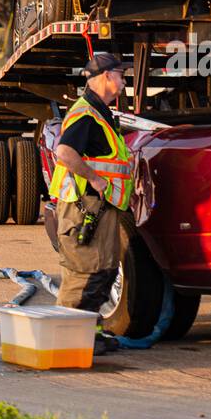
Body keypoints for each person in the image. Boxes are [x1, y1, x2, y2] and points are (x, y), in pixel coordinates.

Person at [49, 52, 135, 355]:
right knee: (85, 274)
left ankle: (90, 335)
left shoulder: (100, 112)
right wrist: (95, 181)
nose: (124, 82)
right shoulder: (86, 114)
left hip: (99, 208)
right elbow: (65, 152)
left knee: (104, 272)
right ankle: (64, 341)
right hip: (84, 207)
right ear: (107, 77)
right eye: (121, 76)